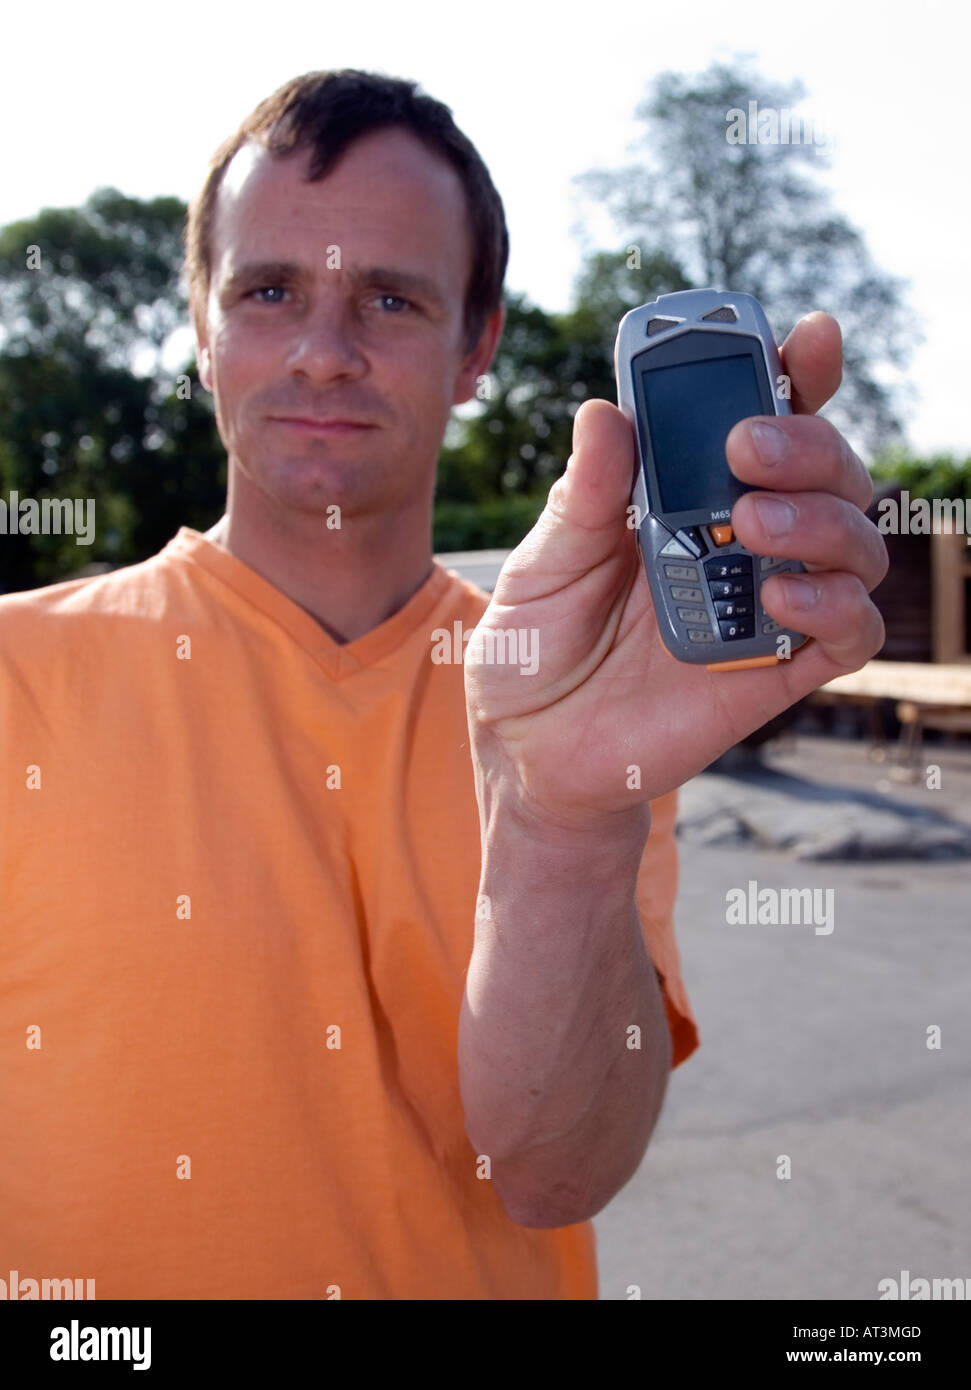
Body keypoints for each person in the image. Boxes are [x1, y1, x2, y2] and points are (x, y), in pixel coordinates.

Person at [0, 69, 886, 1302]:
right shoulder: (13, 677)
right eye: (269, 290)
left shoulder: (579, 681)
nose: (324, 350)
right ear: (199, 325)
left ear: (476, 345)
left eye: (388, 297)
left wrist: (560, 819)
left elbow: (555, 1174)